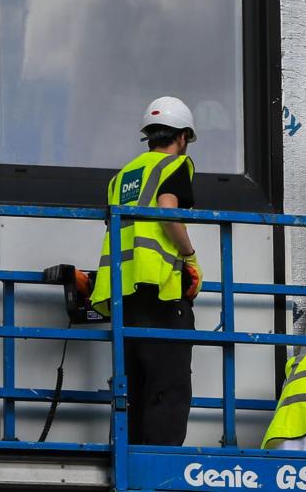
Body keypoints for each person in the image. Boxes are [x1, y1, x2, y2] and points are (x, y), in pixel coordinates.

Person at [83, 96, 203, 446]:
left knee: (131, 385)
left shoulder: (122, 177)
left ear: (149, 135)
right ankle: (160, 463)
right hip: (161, 289)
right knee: (168, 385)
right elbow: (167, 210)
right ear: (182, 136)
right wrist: (190, 256)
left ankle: (129, 455)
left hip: (124, 293)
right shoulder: (175, 165)